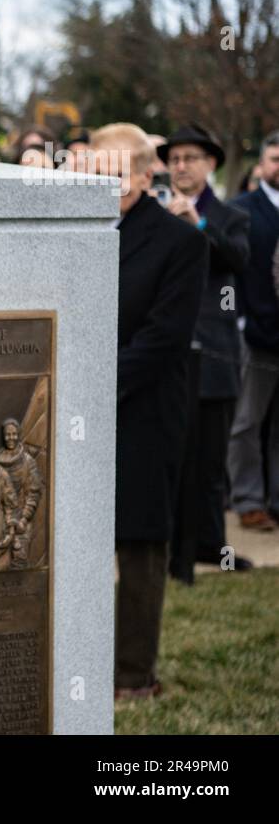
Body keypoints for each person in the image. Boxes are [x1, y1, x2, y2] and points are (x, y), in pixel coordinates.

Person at [94, 122, 207, 699]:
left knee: (139, 542)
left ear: (144, 174)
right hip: (78, 415)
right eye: (94, 168)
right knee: (83, 534)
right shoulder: (78, 232)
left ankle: (134, 676)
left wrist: (92, 385)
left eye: (115, 172)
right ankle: (81, 656)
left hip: (144, 411)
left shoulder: (180, 242)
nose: (103, 181)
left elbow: (164, 340)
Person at [157, 124, 254, 576]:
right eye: (174, 159)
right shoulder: (154, 213)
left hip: (215, 355)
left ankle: (212, 544)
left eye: (190, 158)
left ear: (210, 164)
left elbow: (236, 259)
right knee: (172, 456)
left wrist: (195, 223)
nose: (181, 166)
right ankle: (173, 544)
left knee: (210, 460)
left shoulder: (230, 214)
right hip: (168, 355)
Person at [226, 130, 279, 532]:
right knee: (247, 422)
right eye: (275, 159)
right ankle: (247, 499)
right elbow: (232, 271)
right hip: (256, 335)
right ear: (261, 164)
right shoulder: (242, 209)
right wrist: (241, 319)